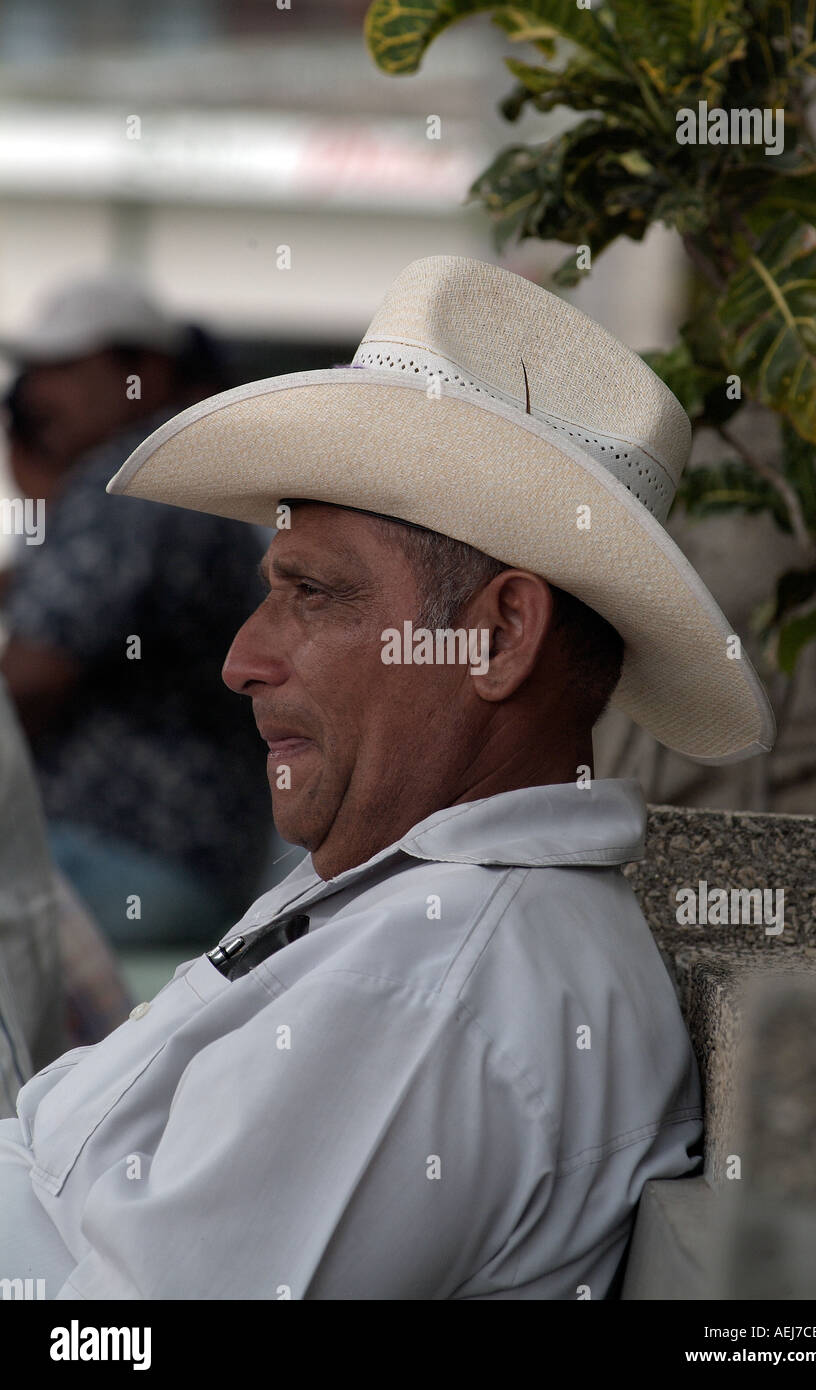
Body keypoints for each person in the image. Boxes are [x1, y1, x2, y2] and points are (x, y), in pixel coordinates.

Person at [0, 255, 775, 1299]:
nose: (245, 659)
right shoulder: (418, 898)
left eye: (312, 594)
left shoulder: (422, 989)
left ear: (497, 636)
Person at [0, 275, 273, 944]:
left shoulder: (127, 477)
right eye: (34, 371)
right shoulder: (182, 468)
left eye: (64, 368)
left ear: (144, 373)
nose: (37, 394)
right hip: (196, 862)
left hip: (121, 857)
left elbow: (27, 687)